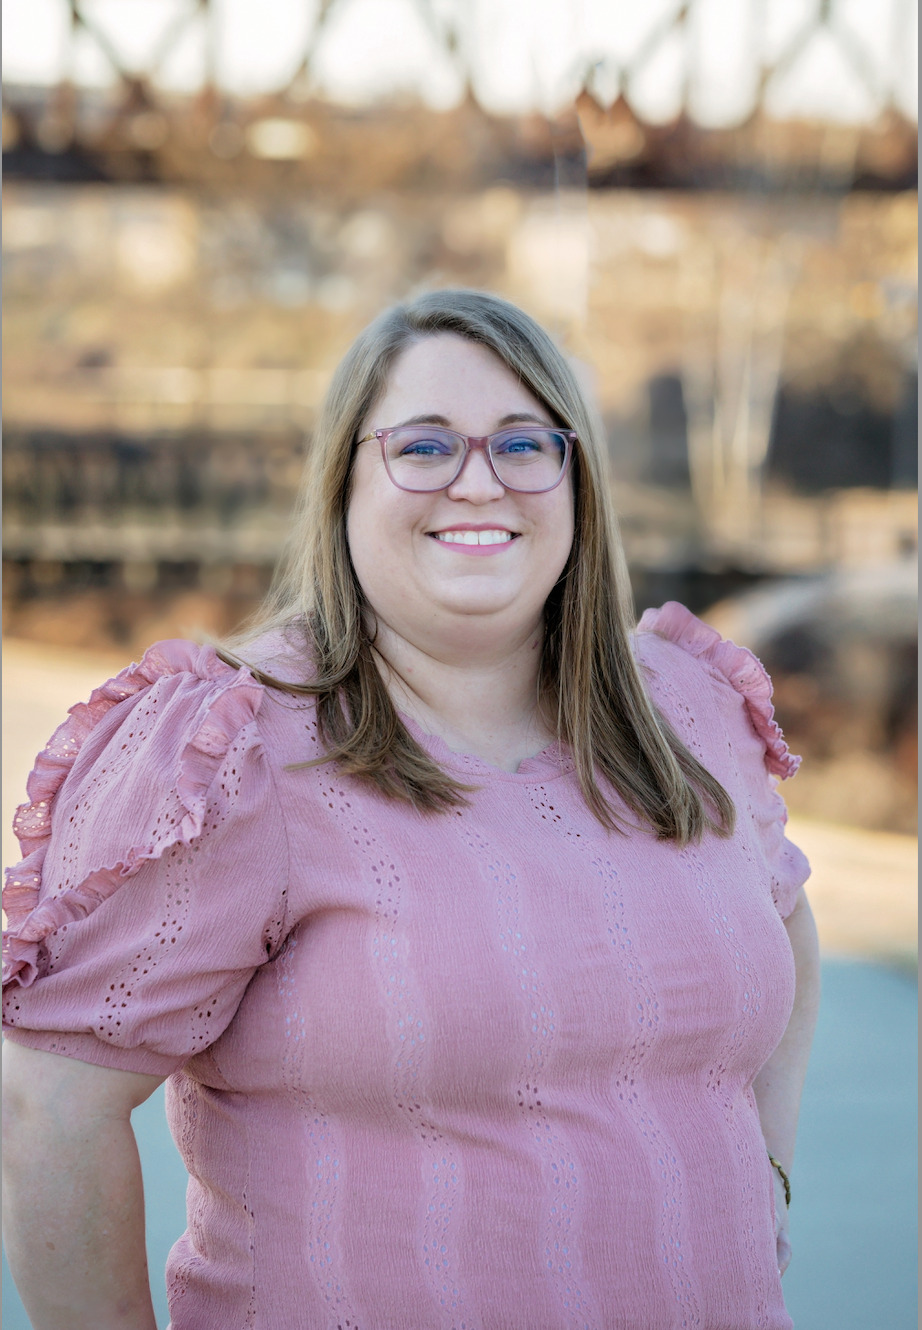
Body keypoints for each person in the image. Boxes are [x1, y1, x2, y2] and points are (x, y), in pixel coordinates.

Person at [2, 289, 819, 1330]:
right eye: (424, 445)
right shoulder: (234, 750)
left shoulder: (687, 708)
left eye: (525, 443)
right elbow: (49, 1109)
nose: (479, 480)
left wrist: (768, 1176)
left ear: (579, 485)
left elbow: (785, 921)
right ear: (343, 479)